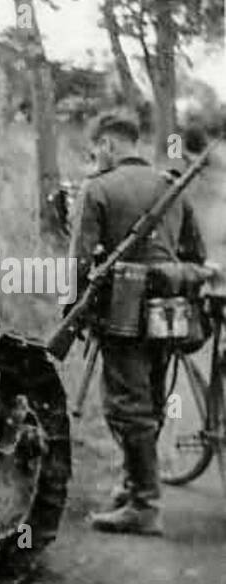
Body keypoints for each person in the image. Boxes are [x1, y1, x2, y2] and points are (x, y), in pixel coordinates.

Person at [69, 112, 207, 535]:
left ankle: (144, 505)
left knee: (125, 406)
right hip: (168, 314)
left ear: (108, 145)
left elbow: (76, 261)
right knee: (149, 396)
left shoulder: (97, 188)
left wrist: (71, 313)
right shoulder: (171, 185)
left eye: (97, 150)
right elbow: (196, 254)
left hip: (123, 315)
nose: (96, 157)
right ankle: (134, 485)